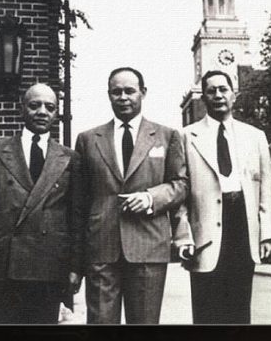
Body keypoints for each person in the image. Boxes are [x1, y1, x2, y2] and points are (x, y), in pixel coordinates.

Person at [75, 67, 187, 324]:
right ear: (109, 96)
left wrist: (151, 198)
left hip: (148, 246)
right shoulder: (88, 139)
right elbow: (79, 201)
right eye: (116, 92)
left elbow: (180, 184)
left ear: (143, 93)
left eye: (129, 91)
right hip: (102, 247)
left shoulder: (166, 136)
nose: (123, 97)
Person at [0, 83, 82, 324]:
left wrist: (75, 267)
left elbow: (76, 219)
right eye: (34, 105)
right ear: (22, 109)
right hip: (4, 263)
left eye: (49, 107)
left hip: (49, 266)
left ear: (56, 113)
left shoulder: (70, 158)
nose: (42, 111)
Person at [173, 70, 271, 324]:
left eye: (223, 89)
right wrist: (183, 236)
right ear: (204, 97)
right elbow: (180, 192)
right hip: (204, 236)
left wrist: (268, 235)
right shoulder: (186, 136)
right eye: (211, 90)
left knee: (239, 309)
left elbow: (267, 189)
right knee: (207, 311)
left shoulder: (255, 136)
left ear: (235, 95)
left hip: (243, 228)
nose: (218, 95)